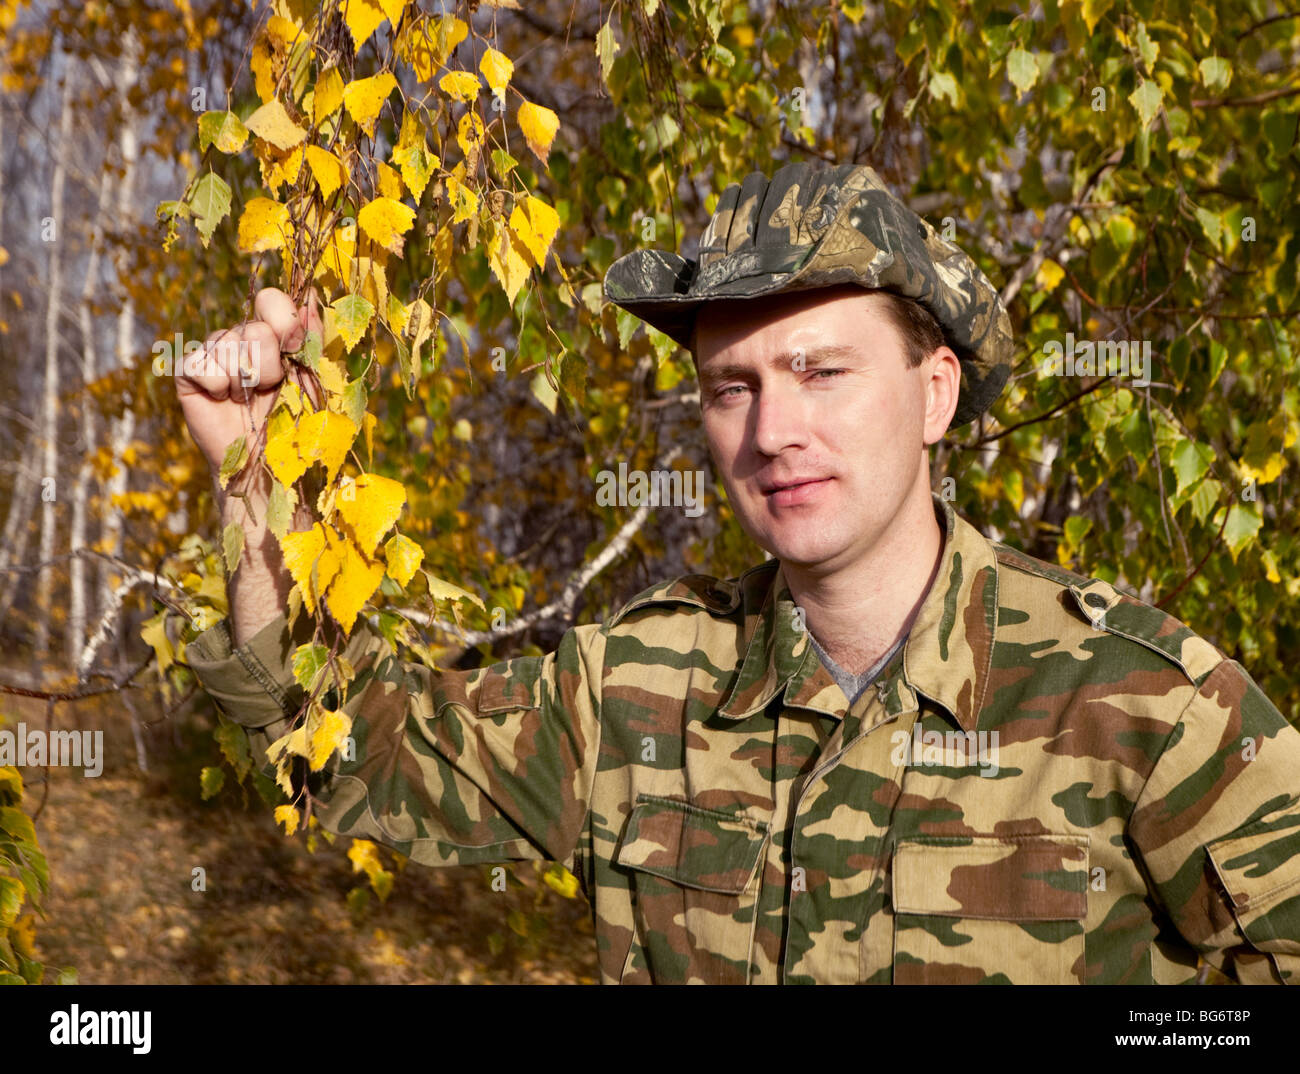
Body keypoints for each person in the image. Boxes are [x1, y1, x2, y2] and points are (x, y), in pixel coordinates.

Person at [181, 161, 1300, 985]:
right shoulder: (633, 688)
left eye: (821, 371)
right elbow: (337, 754)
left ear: (935, 393)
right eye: (732, 387)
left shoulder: (1144, 702)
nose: (774, 430)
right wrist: (252, 477)